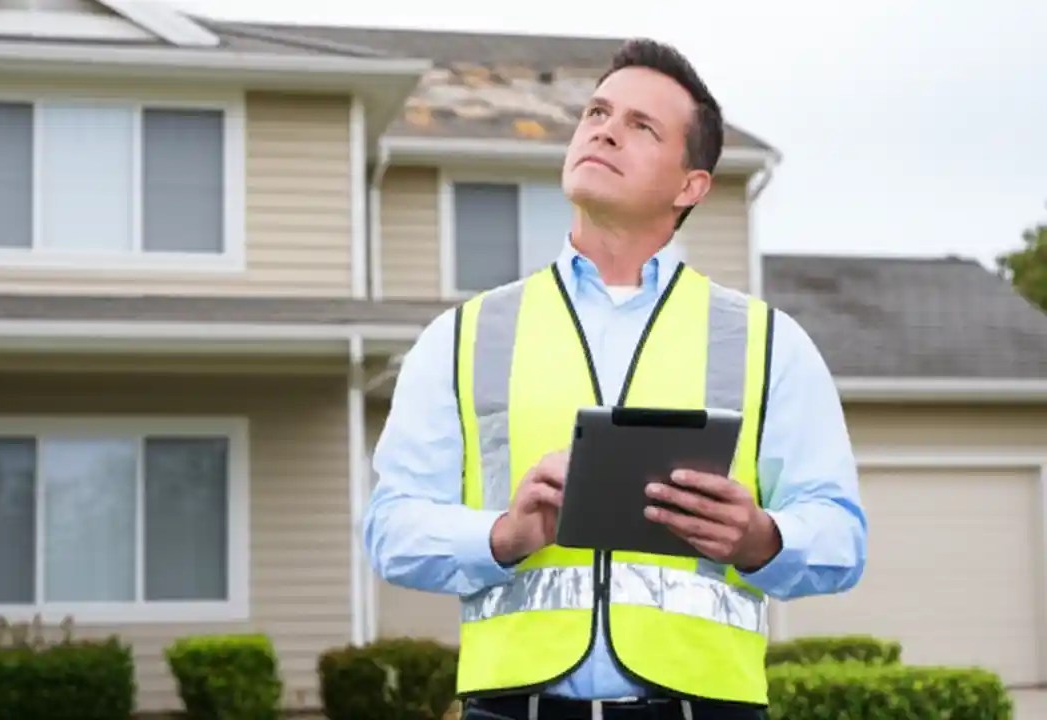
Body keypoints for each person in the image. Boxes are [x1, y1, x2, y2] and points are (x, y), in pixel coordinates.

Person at [364, 37, 867, 720]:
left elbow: (840, 536)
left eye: (641, 126)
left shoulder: (767, 343)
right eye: (597, 112)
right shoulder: (464, 337)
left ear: (691, 185)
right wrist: (503, 537)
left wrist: (759, 538)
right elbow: (390, 529)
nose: (604, 129)